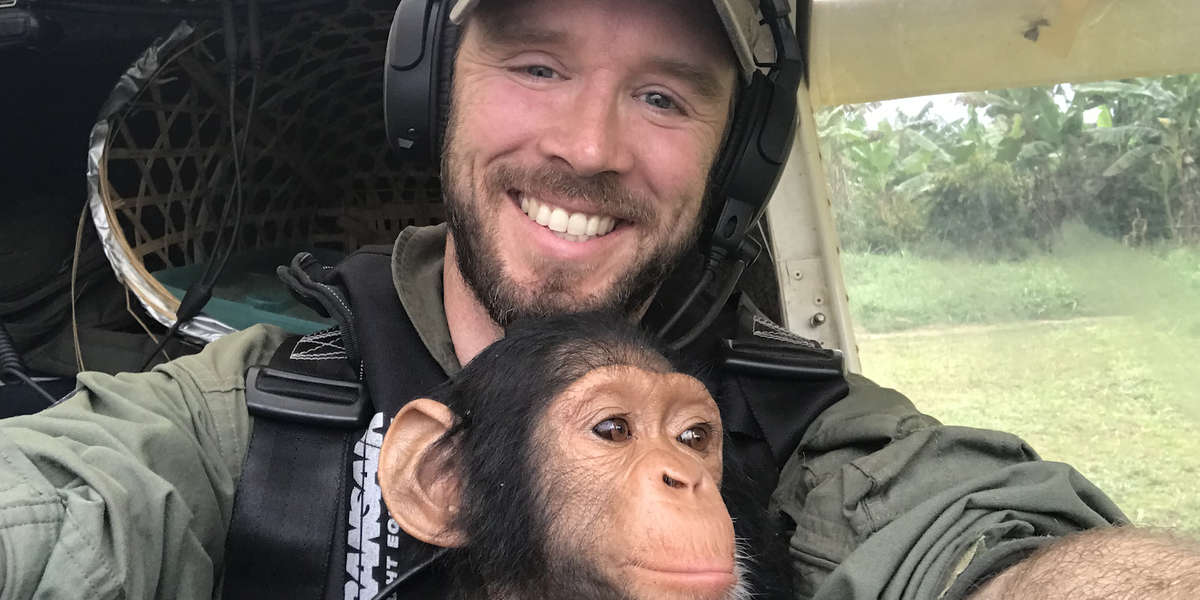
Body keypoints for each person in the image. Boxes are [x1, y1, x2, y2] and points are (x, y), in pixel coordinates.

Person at [1, 0, 1197, 599]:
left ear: (742, 151)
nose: (588, 146)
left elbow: (985, 539)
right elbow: (64, 508)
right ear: (432, 476)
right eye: (536, 63)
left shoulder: (806, 429)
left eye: (667, 97)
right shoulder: (258, 409)